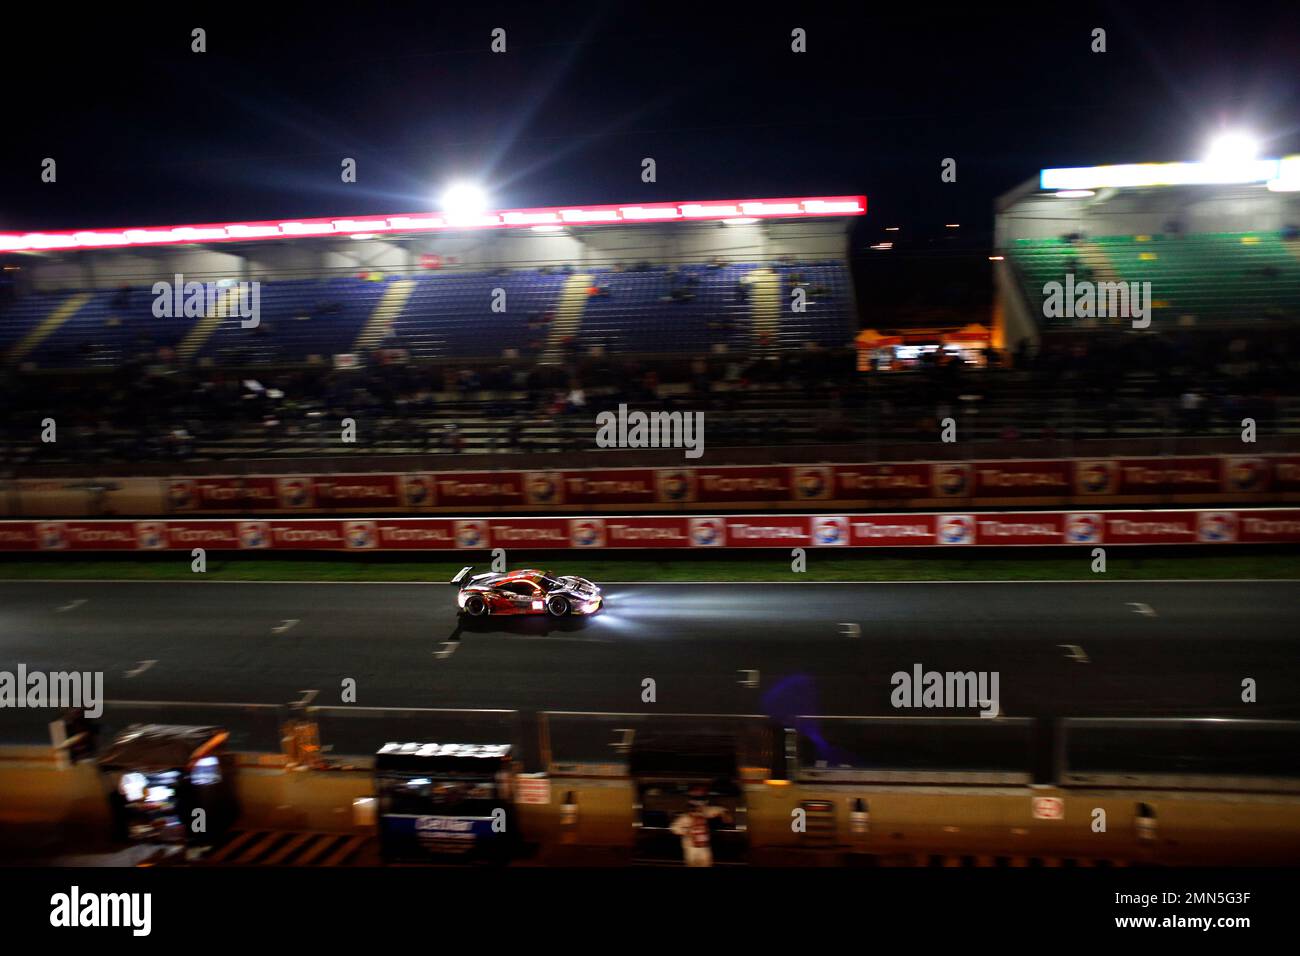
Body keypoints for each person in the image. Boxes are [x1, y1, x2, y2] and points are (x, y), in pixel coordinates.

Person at [669, 787, 731, 867]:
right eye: (696, 808)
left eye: (701, 807)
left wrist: (724, 814)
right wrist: (686, 831)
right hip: (691, 848)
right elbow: (674, 828)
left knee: (706, 863)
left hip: (704, 847)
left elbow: (717, 810)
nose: (699, 810)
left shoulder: (705, 813)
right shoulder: (686, 818)